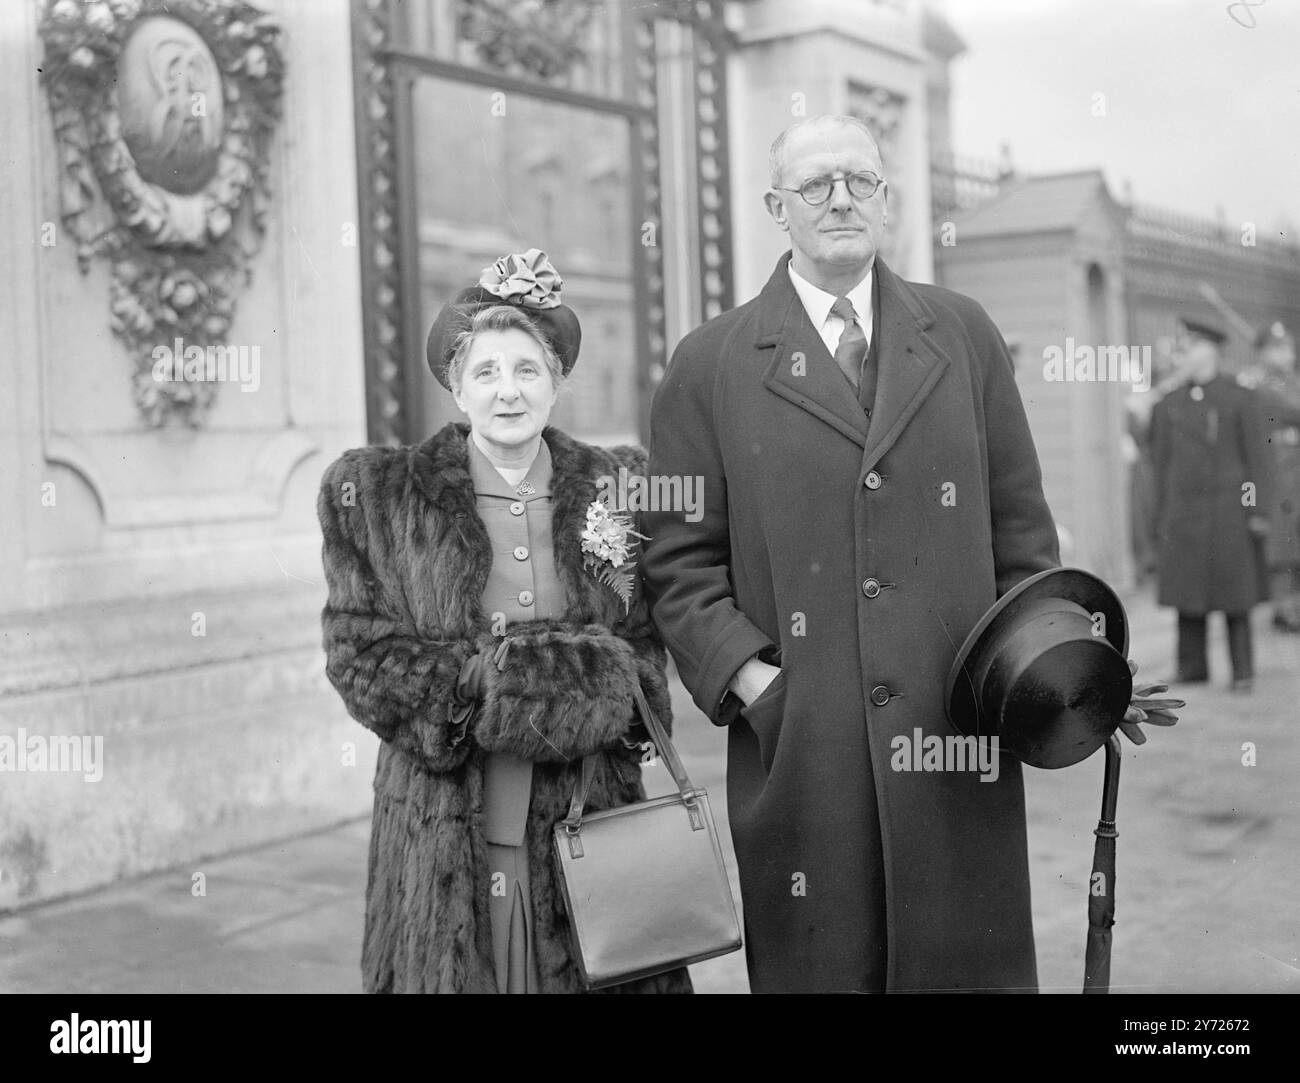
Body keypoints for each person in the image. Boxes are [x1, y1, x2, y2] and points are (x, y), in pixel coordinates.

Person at [641, 114, 1172, 994]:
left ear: (887, 198)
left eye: (860, 180)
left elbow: (1022, 536)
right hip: (808, 749)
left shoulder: (962, 335)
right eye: (816, 184)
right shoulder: (710, 363)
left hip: (956, 741)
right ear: (779, 207)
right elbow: (678, 562)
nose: (841, 198)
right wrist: (759, 687)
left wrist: (1059, 670)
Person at [317, 249, 690, 994]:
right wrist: (497, 692)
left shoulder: (618, 487)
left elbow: (646, 650)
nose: (507, 393)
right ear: (457, 388)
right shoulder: (381, 496)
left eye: (527, 371)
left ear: (557, 382)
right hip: (446, 826)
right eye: (485, 373)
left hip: (589, 818)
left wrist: (598, 692)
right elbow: (359, 654)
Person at [1150, 316, 1272, 692]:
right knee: (1188, 592)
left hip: (1229, 513)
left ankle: (1242, 672)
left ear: (1211, 351)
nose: (1184, 353)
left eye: (1191, 346)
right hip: (1184, 515)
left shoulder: (1240, 398)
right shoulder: (1168, 403)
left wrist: (1255, 509)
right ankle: (1192, 667)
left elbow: (1257, 460)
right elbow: (1160, 465)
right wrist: (1163, 514)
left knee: (1236, 594)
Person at [1239, 321, 1300, 631]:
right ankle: (1285, 609)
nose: (1286, 354)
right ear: (1262, 353)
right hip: (1276, 475)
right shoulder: (1260, 386)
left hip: (1295, 472)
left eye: (1288, 347)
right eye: (1278, 348)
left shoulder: (1290, 380)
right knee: (1282, 549)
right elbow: (1291, 407)